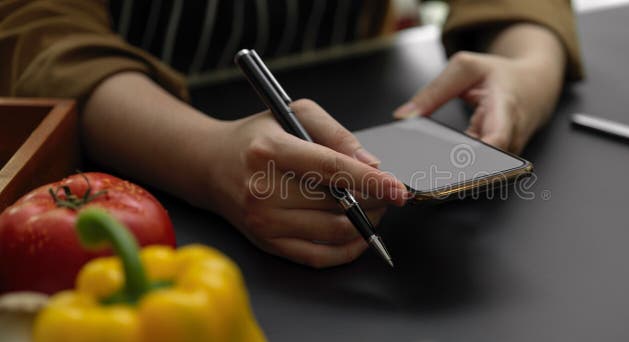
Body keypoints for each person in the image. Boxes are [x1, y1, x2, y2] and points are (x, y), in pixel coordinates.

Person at [0, 0, 582, 268]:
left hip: (356, 90)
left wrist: (528, 65)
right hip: (138, 126)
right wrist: (205, 158)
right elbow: (40, 33)